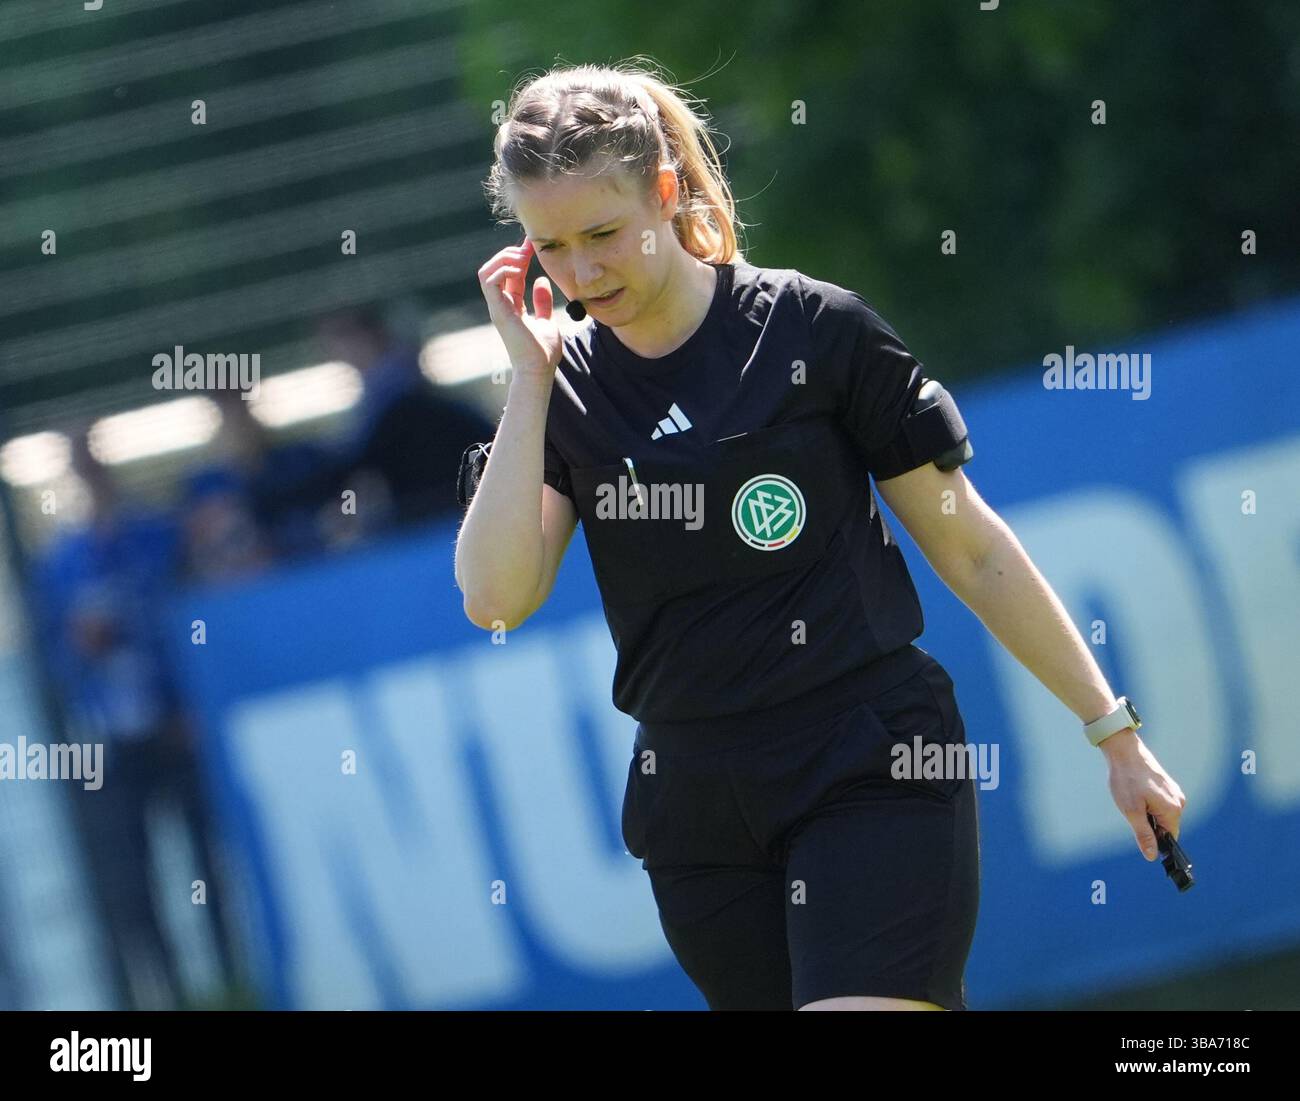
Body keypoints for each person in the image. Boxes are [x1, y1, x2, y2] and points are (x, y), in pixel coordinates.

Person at [454, 62, 1187, 1012]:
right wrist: (529, 380)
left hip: (871, 760)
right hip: (699, 809)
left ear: (666, 194)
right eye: (551, 245)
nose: (584, 271)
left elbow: (974, 547)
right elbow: (494, 596)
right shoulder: (558, 393)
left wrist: (1114, 734)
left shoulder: (814, 327)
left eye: (604, 232)